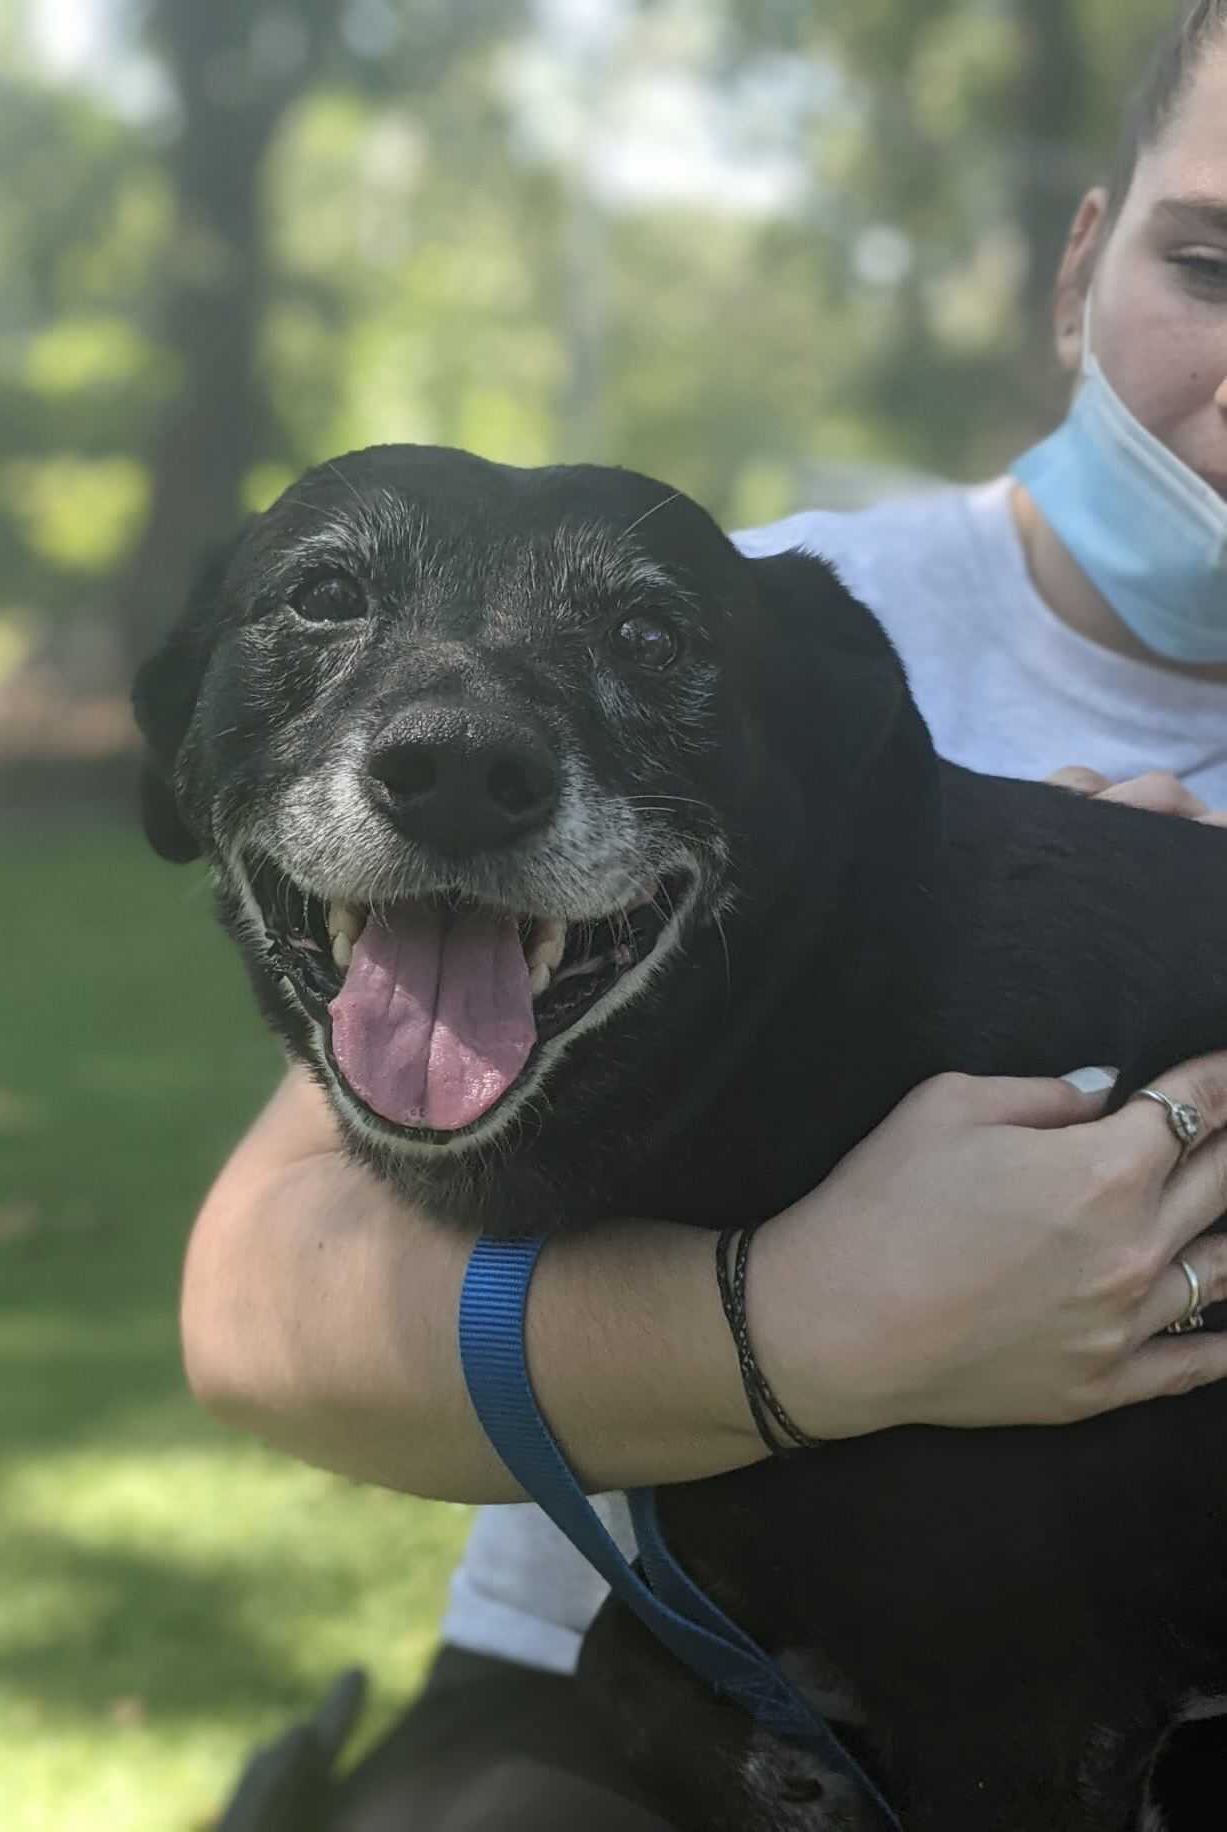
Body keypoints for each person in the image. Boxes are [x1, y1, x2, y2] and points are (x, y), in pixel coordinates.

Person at [189, 3, 1227, 1825]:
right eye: (1210, 265)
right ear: (1081, 262)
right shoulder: (724, 637)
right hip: (644, 1667)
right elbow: (267, 1306)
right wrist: (799, 1325)